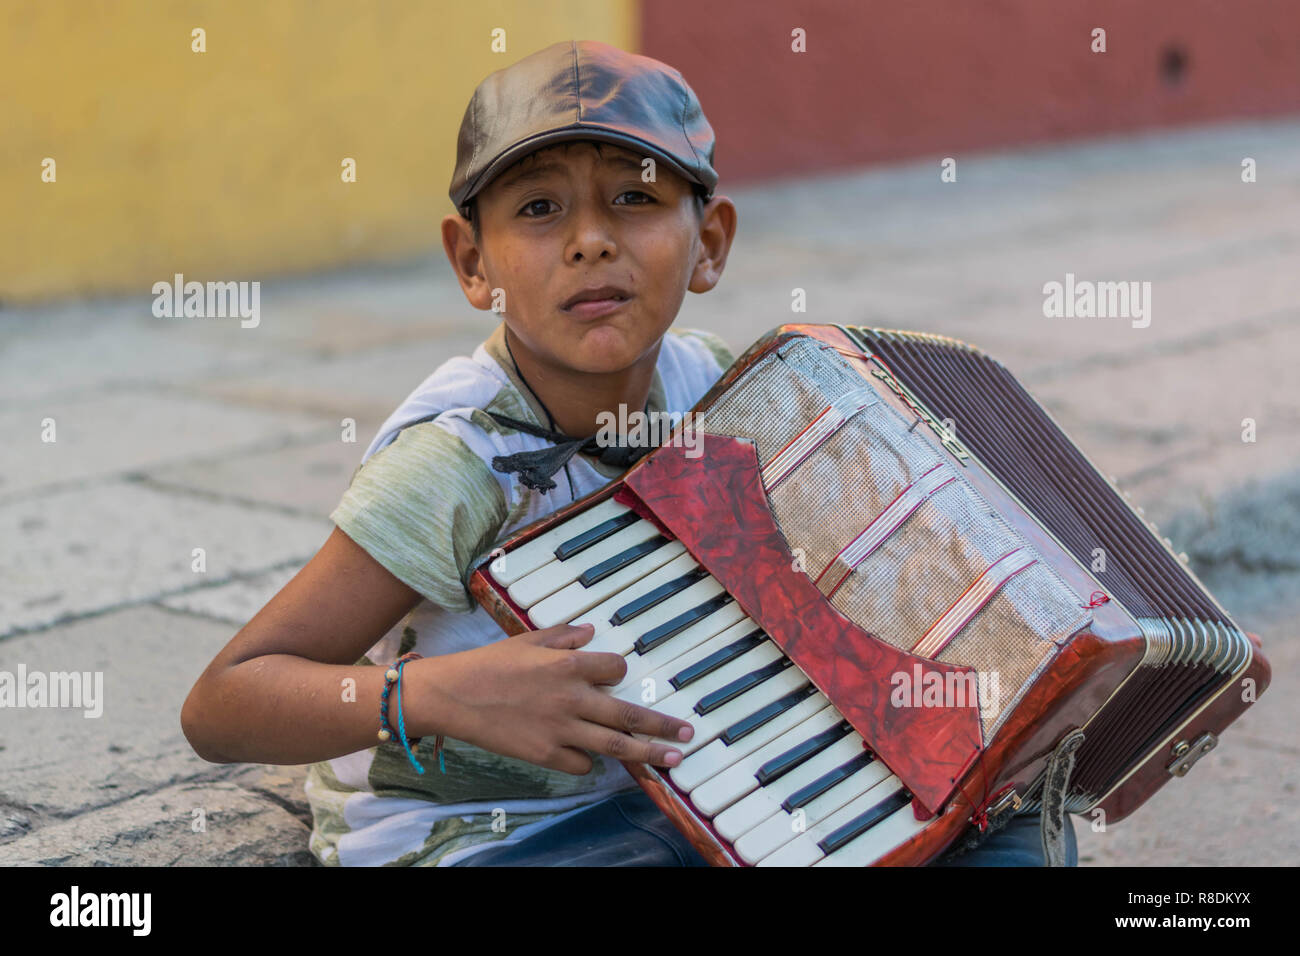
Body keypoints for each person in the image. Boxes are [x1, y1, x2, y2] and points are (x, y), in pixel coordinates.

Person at [180, 39, 1074, 868]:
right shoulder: (453, 464)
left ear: (709, 243)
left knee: (1008, 799)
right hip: (498, 846)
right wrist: (436, 695)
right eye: (538, 209)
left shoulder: (727, 389)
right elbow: (222, 704)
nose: (591, 239)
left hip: (701, 787)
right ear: (472, 264)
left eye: (636, 198)